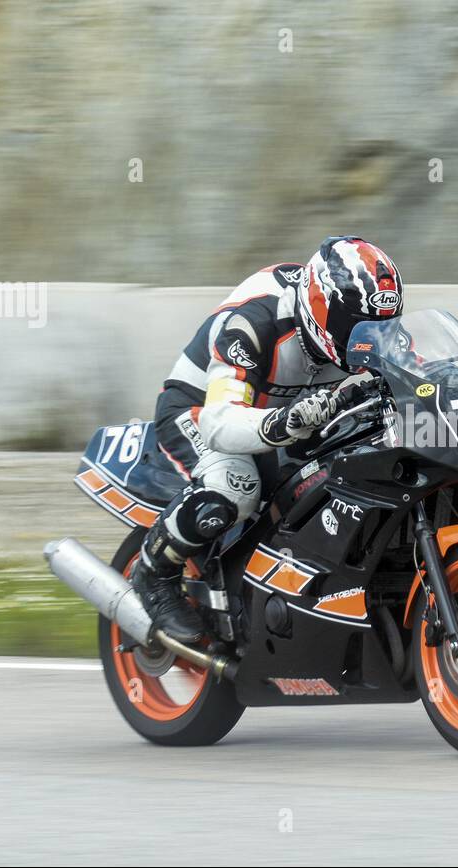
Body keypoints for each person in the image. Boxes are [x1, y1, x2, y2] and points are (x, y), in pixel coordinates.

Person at [132, 236, 404, 641]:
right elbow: (219, 423)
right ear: (320, 308)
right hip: (200, 407)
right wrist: (283, 423)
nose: (371, 339)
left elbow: (414, 375)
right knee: (236, 487)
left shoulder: (361, 328)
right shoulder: (254, 324)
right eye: (359, 328)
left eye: (383, 326)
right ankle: (154, 571)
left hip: (293, 412)